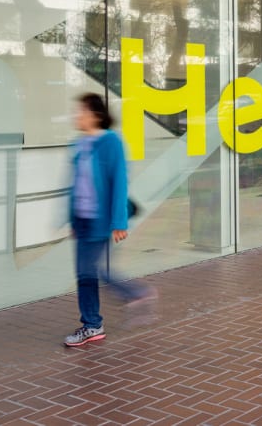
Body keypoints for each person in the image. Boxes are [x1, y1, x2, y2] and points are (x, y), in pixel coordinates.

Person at [65, 93, 155, 347]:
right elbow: (76, 186)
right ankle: (93, 324)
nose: (77, 116)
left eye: (81, 111)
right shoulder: (80, 144)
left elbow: (119, 183)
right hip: (82, 219)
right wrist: (72, 218)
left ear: (95, 115)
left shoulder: (111, 142)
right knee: (86, 274)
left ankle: (129, 298)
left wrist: (119, 221)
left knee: (92, 272)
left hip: (100, 219)